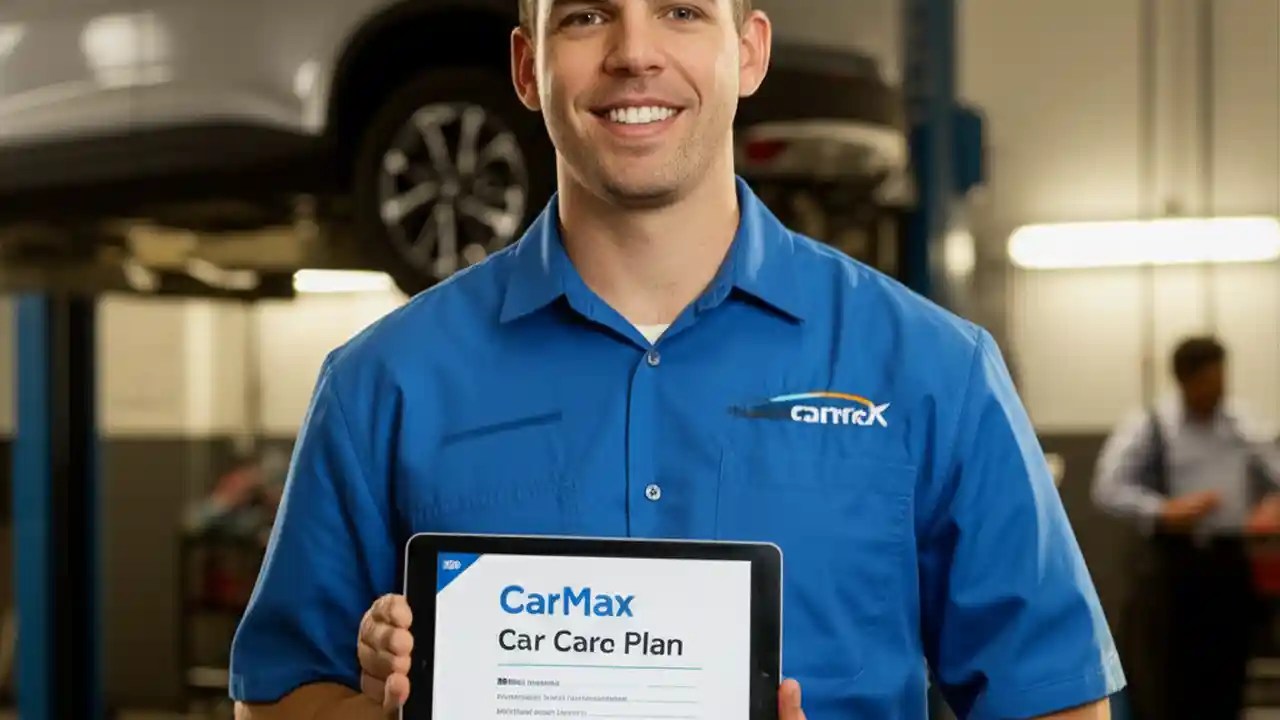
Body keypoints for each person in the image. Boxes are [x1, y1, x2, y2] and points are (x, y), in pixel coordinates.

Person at [229, 1, 1124, 717]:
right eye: (585, 17)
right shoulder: (382, 383)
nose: (634, 52)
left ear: (750, 51)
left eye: (682, 13)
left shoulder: (935, 371)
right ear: (525, 68)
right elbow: (275, 699)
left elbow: (1053, 701)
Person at [1093, 336, 1280, 720]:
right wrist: (1164, 510)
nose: (1217, 390)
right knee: (1171, 679)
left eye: (1221, 379)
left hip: (1230, 563)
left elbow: (1272, 474)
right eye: (1208, 381)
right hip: (1175, 565)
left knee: (1228, 675)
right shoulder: (1152, 425)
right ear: (1185, 379)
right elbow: (1108, 488)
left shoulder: (1241, 424)